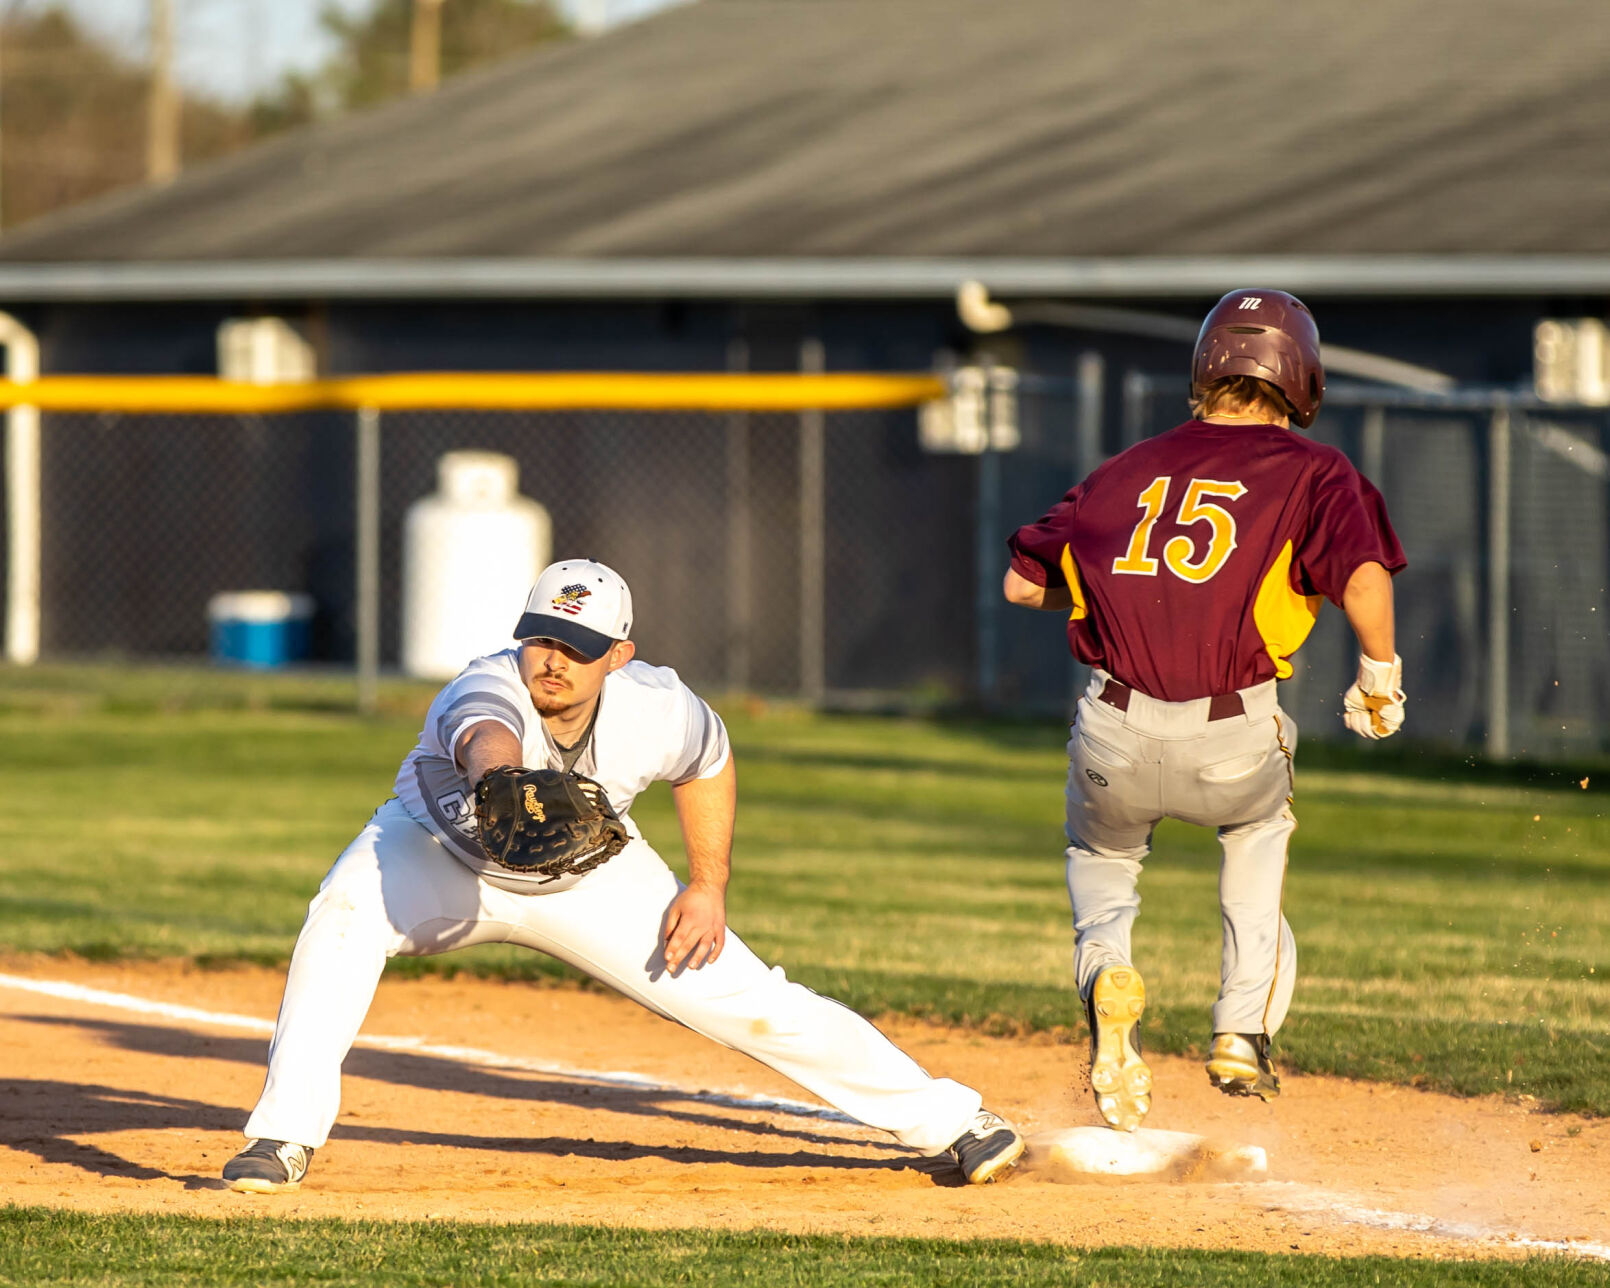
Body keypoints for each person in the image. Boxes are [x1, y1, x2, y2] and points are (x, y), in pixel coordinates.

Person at [223, 559, 1025, 1191]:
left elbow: (708, 762)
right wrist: (499, 780)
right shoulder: (485, 682)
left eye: (578, 647)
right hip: (433, 855)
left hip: (592, 879)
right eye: (542, 638)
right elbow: (483, 732)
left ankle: (953, 1122)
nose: (554, 661)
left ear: (619, 654)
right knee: (340, 916)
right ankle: (281, 1137)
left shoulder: (660, 706)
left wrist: (706, 884)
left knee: (755, 1005)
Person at [1002, 290, 1406, 1132]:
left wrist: (1110, 599)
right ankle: (1239, 1032)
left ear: (1205, 371)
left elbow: (1022, 581)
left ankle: (1109, 970)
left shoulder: (1124, 469)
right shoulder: (1314, 471)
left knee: (1102, 869)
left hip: (1114, 728)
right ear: (1302, 379)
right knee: (1257, 842)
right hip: (1232, 733)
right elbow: (1363, 579)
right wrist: (1380, 677)